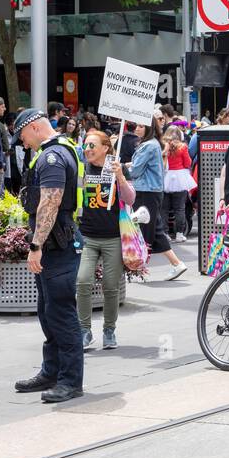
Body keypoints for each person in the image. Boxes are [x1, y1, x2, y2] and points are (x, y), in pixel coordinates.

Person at [9, 110, 85, 403]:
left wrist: (36, 244)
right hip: (57, 243)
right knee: (47, 310)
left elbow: (50, 203)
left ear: (34, 128)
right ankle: (51, 371)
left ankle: (70, 381)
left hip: (57, 245)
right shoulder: (59, 150)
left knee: (61, 312)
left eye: (23, 136)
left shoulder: (52, 157)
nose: (23, 143)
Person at [78, 129, 134, 349]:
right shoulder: (82, 168)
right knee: (82, 281)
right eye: (85, 145)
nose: (88, 149)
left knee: (111, 287)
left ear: (105, 148)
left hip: (113, 237)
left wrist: (120, 176)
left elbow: (130, 198)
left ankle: (109, 330)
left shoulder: (115, 168)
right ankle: (84, 331)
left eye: (92, 145)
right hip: (87, 236)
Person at [126, 121, 186, 281]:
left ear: (148, 127)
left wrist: (122, 169)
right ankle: (176, 263)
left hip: (146, 191)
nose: (137, 128)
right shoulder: (149, 144)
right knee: (155, 229)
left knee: (144, 230)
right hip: (149, 191)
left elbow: (136, 170)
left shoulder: (148, 146)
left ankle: (138, 268)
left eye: (140, 125)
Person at [161, 126, 195, 242]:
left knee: (163, 209)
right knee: (180, 208)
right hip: (180, 178)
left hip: (165, 177)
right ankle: (179, 234)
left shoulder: (162, 146)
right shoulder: (182, 147)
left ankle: (165, 234)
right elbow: (188, 163)